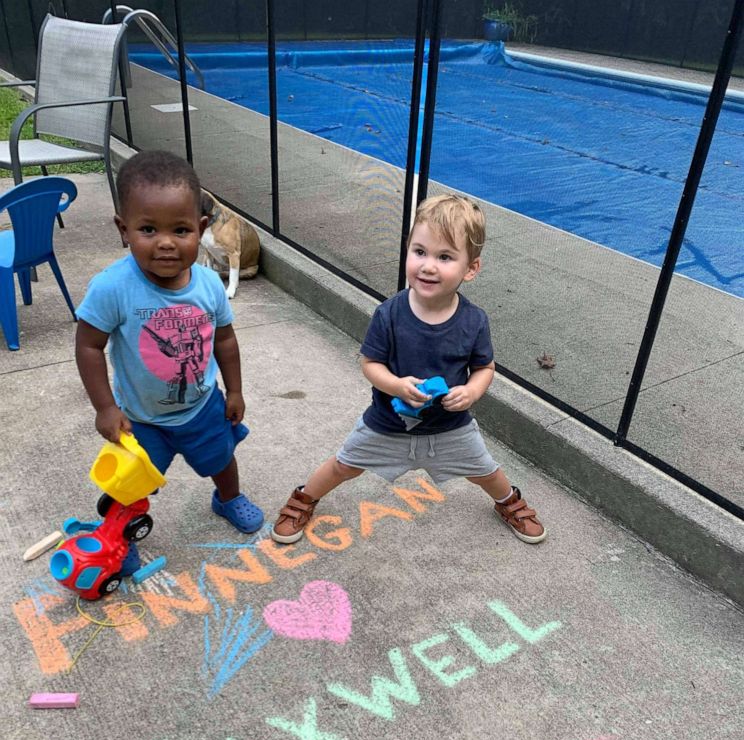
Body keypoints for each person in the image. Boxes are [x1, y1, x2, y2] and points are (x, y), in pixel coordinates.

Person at [271, 193, 546, 545]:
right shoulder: (389, 314)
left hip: (450, 427)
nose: (428, 265)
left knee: (486, 471)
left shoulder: (474, 321)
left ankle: (509, 502)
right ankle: (304, 498)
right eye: (420, 252)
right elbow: (370, 364)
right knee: (344, 465)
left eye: (445, 257)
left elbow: (484, 367)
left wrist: (473, 390)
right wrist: (397, 386)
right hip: (388, 423)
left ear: (471, 268)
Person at [75, 150, 264, 534]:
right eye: (148, 230)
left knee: (221, 458)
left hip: (201, 406)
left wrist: (235, 391)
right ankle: (117, 534)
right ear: (123, 229)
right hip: (140, 418)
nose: (165, 243)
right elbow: (88, 346)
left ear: (201, 227)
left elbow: (225, 341)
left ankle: (228, 498)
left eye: (180, 230)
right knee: (132, 481)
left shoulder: (209, 285)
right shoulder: (112, 288)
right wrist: (105, 408)